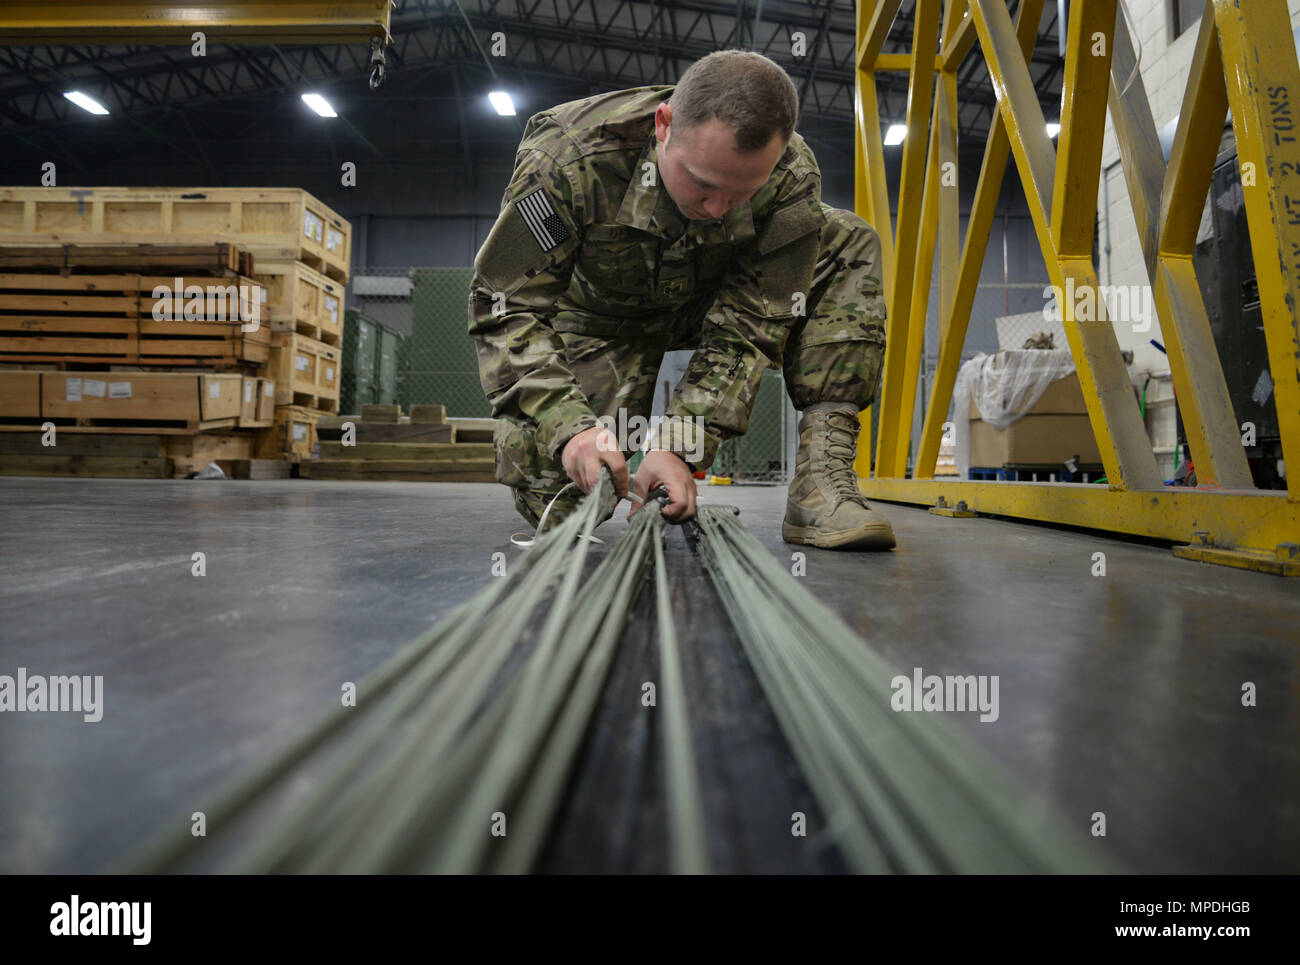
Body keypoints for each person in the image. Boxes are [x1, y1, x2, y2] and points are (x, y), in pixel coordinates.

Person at [468, 50, 895, 550]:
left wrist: (680, 446)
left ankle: (821, 485)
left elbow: (750, 325)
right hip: (599, 320)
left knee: (846, 239)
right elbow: (505, 304)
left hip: (708, 304)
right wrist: (570, 427)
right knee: (572, 499)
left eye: (742, 193)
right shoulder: (568, 159)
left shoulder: (790, 176)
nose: (717, 210)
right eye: (703, 183)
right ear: (664, 124)